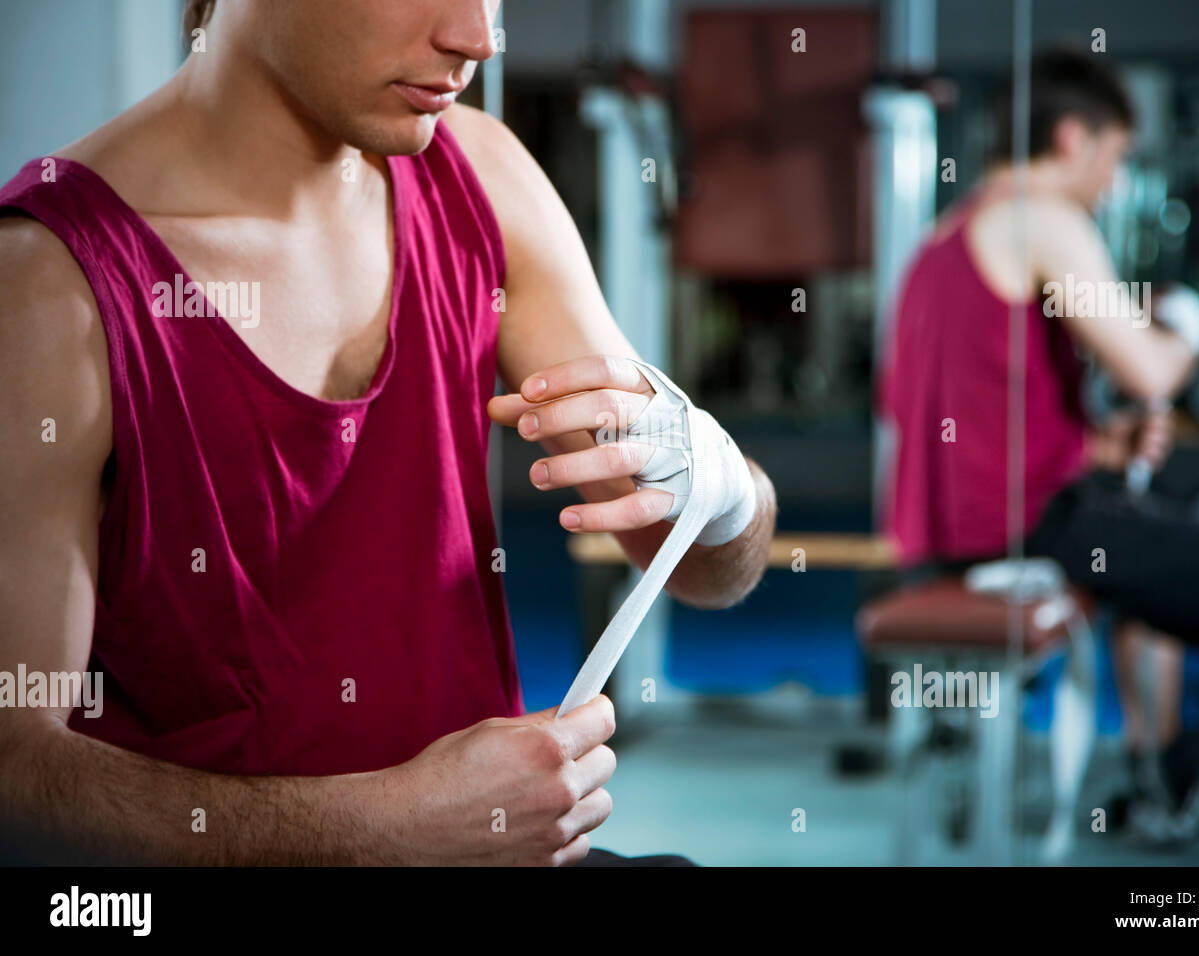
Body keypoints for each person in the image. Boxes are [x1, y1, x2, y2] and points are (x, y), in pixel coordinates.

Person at [0, 0, 775, 865]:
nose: (478, 38)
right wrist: (386, 834)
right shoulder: (47, 283)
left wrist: (720, 486)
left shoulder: (483, 175)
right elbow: (14, 773)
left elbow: (709, 572)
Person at [880, 47, 1199, 844]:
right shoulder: (1042, 218)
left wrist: (1096, 444)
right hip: (1029, 527)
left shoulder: (941, 238)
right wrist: (1186, 327)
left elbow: (955, 413)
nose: (1114, 182)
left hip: (946, 530)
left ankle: (1166, 783)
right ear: (1072, 139)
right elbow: (1150, 368)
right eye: (1115, 158)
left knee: (1155, 536)